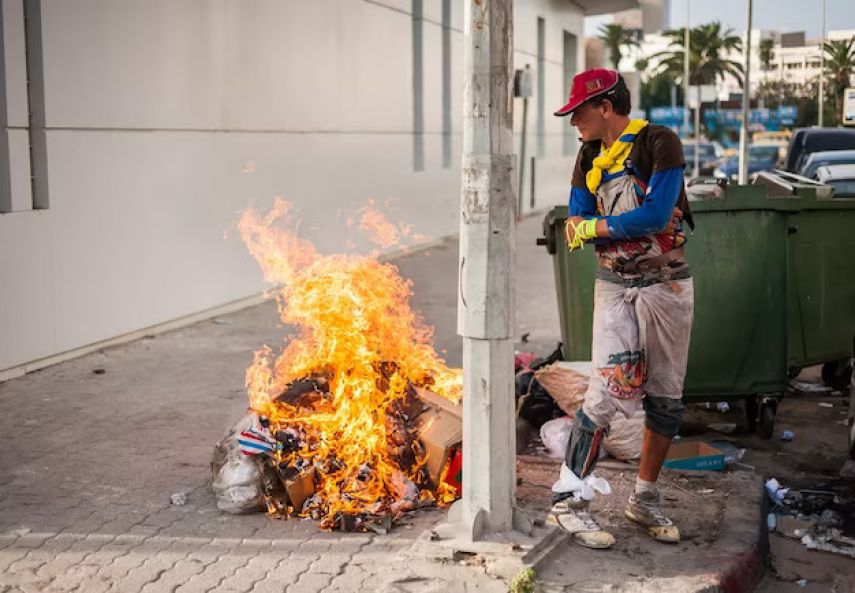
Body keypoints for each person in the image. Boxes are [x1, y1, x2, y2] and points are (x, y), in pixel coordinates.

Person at [549, 68, 695, 549]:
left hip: (667, 285)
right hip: (615, 286)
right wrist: (595, 226)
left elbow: (655, 215)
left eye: (578, 113)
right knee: (604, 395)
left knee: (666, 398)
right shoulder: (589, 155)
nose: (574, 122)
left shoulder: (659, 143)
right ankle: (570, 500)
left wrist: (595, 228)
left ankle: (645, 500)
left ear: (605, 107)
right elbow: (575, 216)